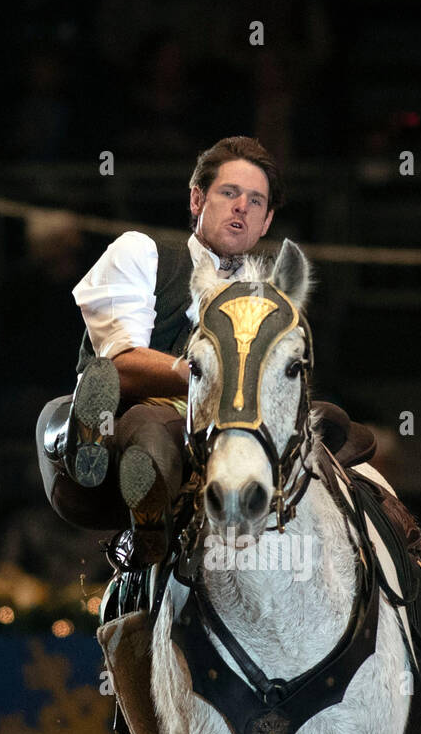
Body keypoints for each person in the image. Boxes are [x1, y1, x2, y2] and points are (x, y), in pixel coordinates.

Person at [37, 134, 369, 569]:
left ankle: (162, 505)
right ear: (197, 200)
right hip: (138, 415)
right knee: (146, 429)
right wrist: (213, 372)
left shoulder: (267, 302)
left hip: (220, 435)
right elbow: (122, 361)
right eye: (230, 193)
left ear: (266, 222)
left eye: (255, 202)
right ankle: (102, 464)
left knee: (341, 426)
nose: (241, 208)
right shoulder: (142, 251)